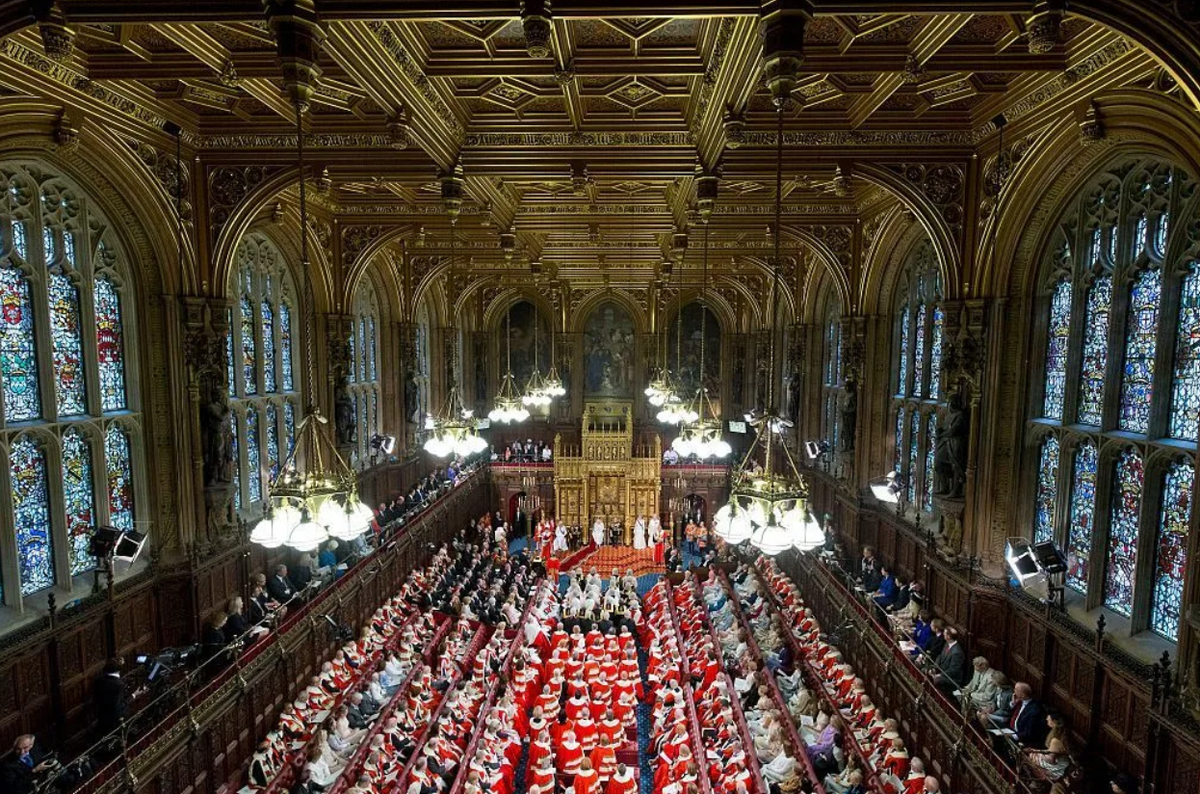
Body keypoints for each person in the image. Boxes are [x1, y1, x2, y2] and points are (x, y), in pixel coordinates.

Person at [93, 658, 131, 736]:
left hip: (102, 717)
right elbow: (118, 706)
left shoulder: (98, 680)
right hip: (116, 721)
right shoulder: (119, 684)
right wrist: (134, 696)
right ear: (118, 670)